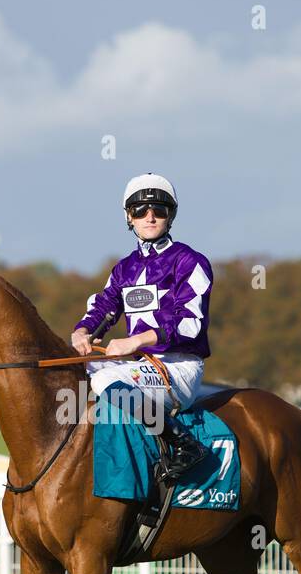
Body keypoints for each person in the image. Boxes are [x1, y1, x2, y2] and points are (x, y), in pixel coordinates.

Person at [72, 172, 213, 484]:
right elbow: (104, 309)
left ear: (170, 215)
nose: (150, 217)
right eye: (140, 210)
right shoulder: (124, 268)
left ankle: (184, 444)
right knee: (73, 372)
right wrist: (82, 332)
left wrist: (135, 341)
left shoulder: (190, 261)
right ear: (128, 217)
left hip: (178, 368)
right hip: (139, 368)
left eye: (159, 210)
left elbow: (191, 322)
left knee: (106, 376)